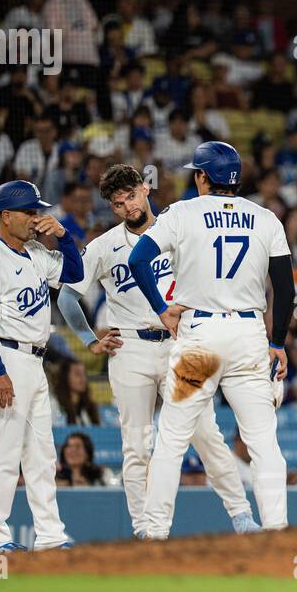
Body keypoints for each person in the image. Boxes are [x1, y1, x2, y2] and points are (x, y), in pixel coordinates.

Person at [56, 163, 257, 537]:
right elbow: (68, 296)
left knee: (205, 432)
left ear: (145, 189)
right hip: (129, 347)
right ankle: (145, 529)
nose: (128, 207)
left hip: (182, 342)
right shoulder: (104, 246)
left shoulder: (181, 227)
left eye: (131, 196)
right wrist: (88, 340)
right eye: (118, 204)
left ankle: (241, 515)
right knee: (136, 445)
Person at [127, 141, 296, 535]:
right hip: (249, 336)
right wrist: (279, 343)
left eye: (196, 173)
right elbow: (285, 290)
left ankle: (154, 533)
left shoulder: (182, 212)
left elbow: (137, 260)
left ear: (203, 176)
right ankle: (277, 530)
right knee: (263, 443)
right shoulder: (266, 217)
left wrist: (159, 307)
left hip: (200, 336)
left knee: (171, 439)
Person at [0, 179, 83, 555]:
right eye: (29, 212)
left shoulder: (35, 252)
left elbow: (75, 273)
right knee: (4, 451)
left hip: (36, 361)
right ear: (5, 217)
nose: (36, 218)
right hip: (7, 357)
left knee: (42, 452)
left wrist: (64, 236)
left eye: (37, 211)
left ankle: (50, 535)